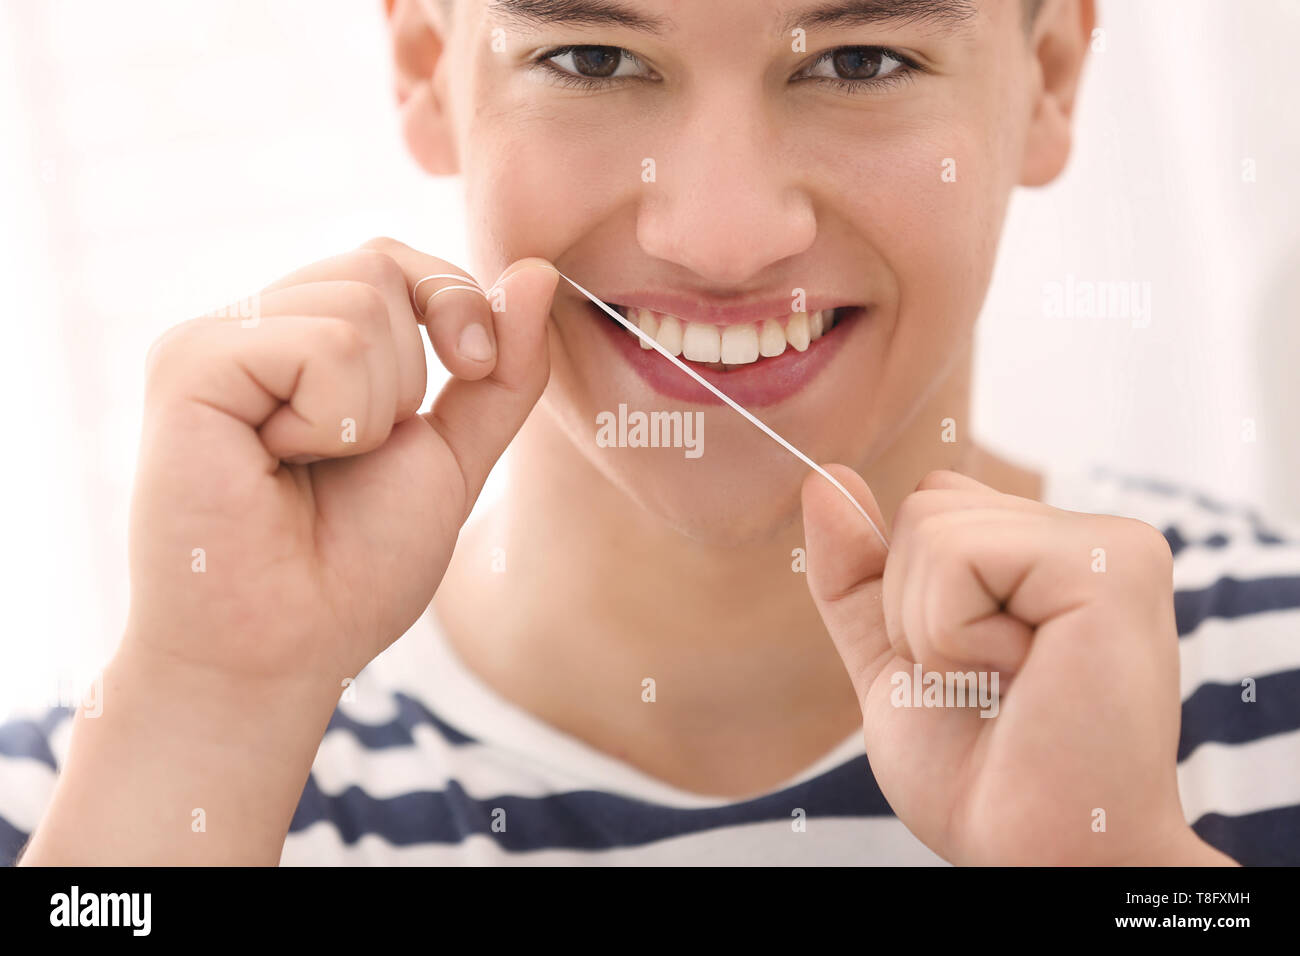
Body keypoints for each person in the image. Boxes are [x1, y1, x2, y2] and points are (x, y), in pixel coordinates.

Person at [3, 0, 1298, 865]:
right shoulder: (95, 798)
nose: (721, 236)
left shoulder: (1272, 673)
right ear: (425, 68)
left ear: (1052, 78)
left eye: (859, 61)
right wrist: (215, 721)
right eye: (593, 58)